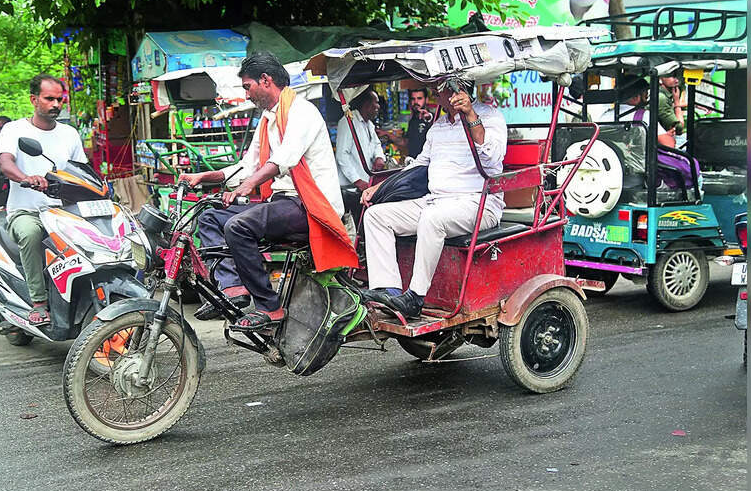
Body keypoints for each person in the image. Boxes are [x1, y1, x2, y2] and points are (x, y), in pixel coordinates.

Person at [178, 52, 357, 331]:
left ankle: (269, 307)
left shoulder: (302, 111)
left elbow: (283, 159)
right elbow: (246, 166)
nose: (246, 94)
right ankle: (233, 288)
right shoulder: (267, 120)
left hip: (308, 205)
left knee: (238, 226)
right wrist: (205, 176)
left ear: (265, 80)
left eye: (247, 86)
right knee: (209, 218)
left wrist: (246, 186)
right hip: (281, 203)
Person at [359, 79, 507, 317]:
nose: (435, 93)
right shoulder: (438, 127)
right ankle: (390, 291)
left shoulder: (490, 116)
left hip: (478, 203)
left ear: (457, 88)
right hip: (436, 201)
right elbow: (419, 165)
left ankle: (415, 298)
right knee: (376, 216)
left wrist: (469, 114)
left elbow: (491, 159)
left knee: (432, 218)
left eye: (440, 88)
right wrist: (380, 187)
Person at [0, 75, 87, 325]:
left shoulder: (70, 134)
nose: (56, 104)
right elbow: (5, 162)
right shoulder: (14, 130)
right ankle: (38, 302)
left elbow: (82, 170)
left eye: (60, 99)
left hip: (64, 211)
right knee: (30, 234)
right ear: (34, 100)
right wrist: (26, 178)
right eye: (49, 99)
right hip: (27, 210)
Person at [335, 88, 387, 217]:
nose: (378, 107)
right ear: (367, 105)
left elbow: (376, 144)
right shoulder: (348, 121)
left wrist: (379, 158)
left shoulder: (369, 124)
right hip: (352, 188)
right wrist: (357, 181)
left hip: (365, 185)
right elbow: (342, 156)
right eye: (376, 102)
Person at [598, 74, 675, 147]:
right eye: (645, 96)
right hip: (638, 160)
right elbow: (669, 144)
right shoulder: (643, 116)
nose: (646, 100)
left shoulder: (604, 116)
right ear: (635, 97)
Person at [657, 71, 687, 147]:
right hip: (664, 141)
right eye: (672, 77)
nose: (677, 80)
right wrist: (677, 102)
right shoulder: (661, 98)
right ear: (660, 79)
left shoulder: (668, 94)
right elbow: (679, 127)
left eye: (677, 77)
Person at [405, 87, 434, 158]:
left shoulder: (433, 118)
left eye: (419, 98)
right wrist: (388, 134)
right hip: (414, 163)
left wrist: (428, 117)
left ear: (426, 100)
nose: (416, 102)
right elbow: (407, 142)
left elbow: (430, 118)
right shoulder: (413, 120)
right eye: (413, 99)